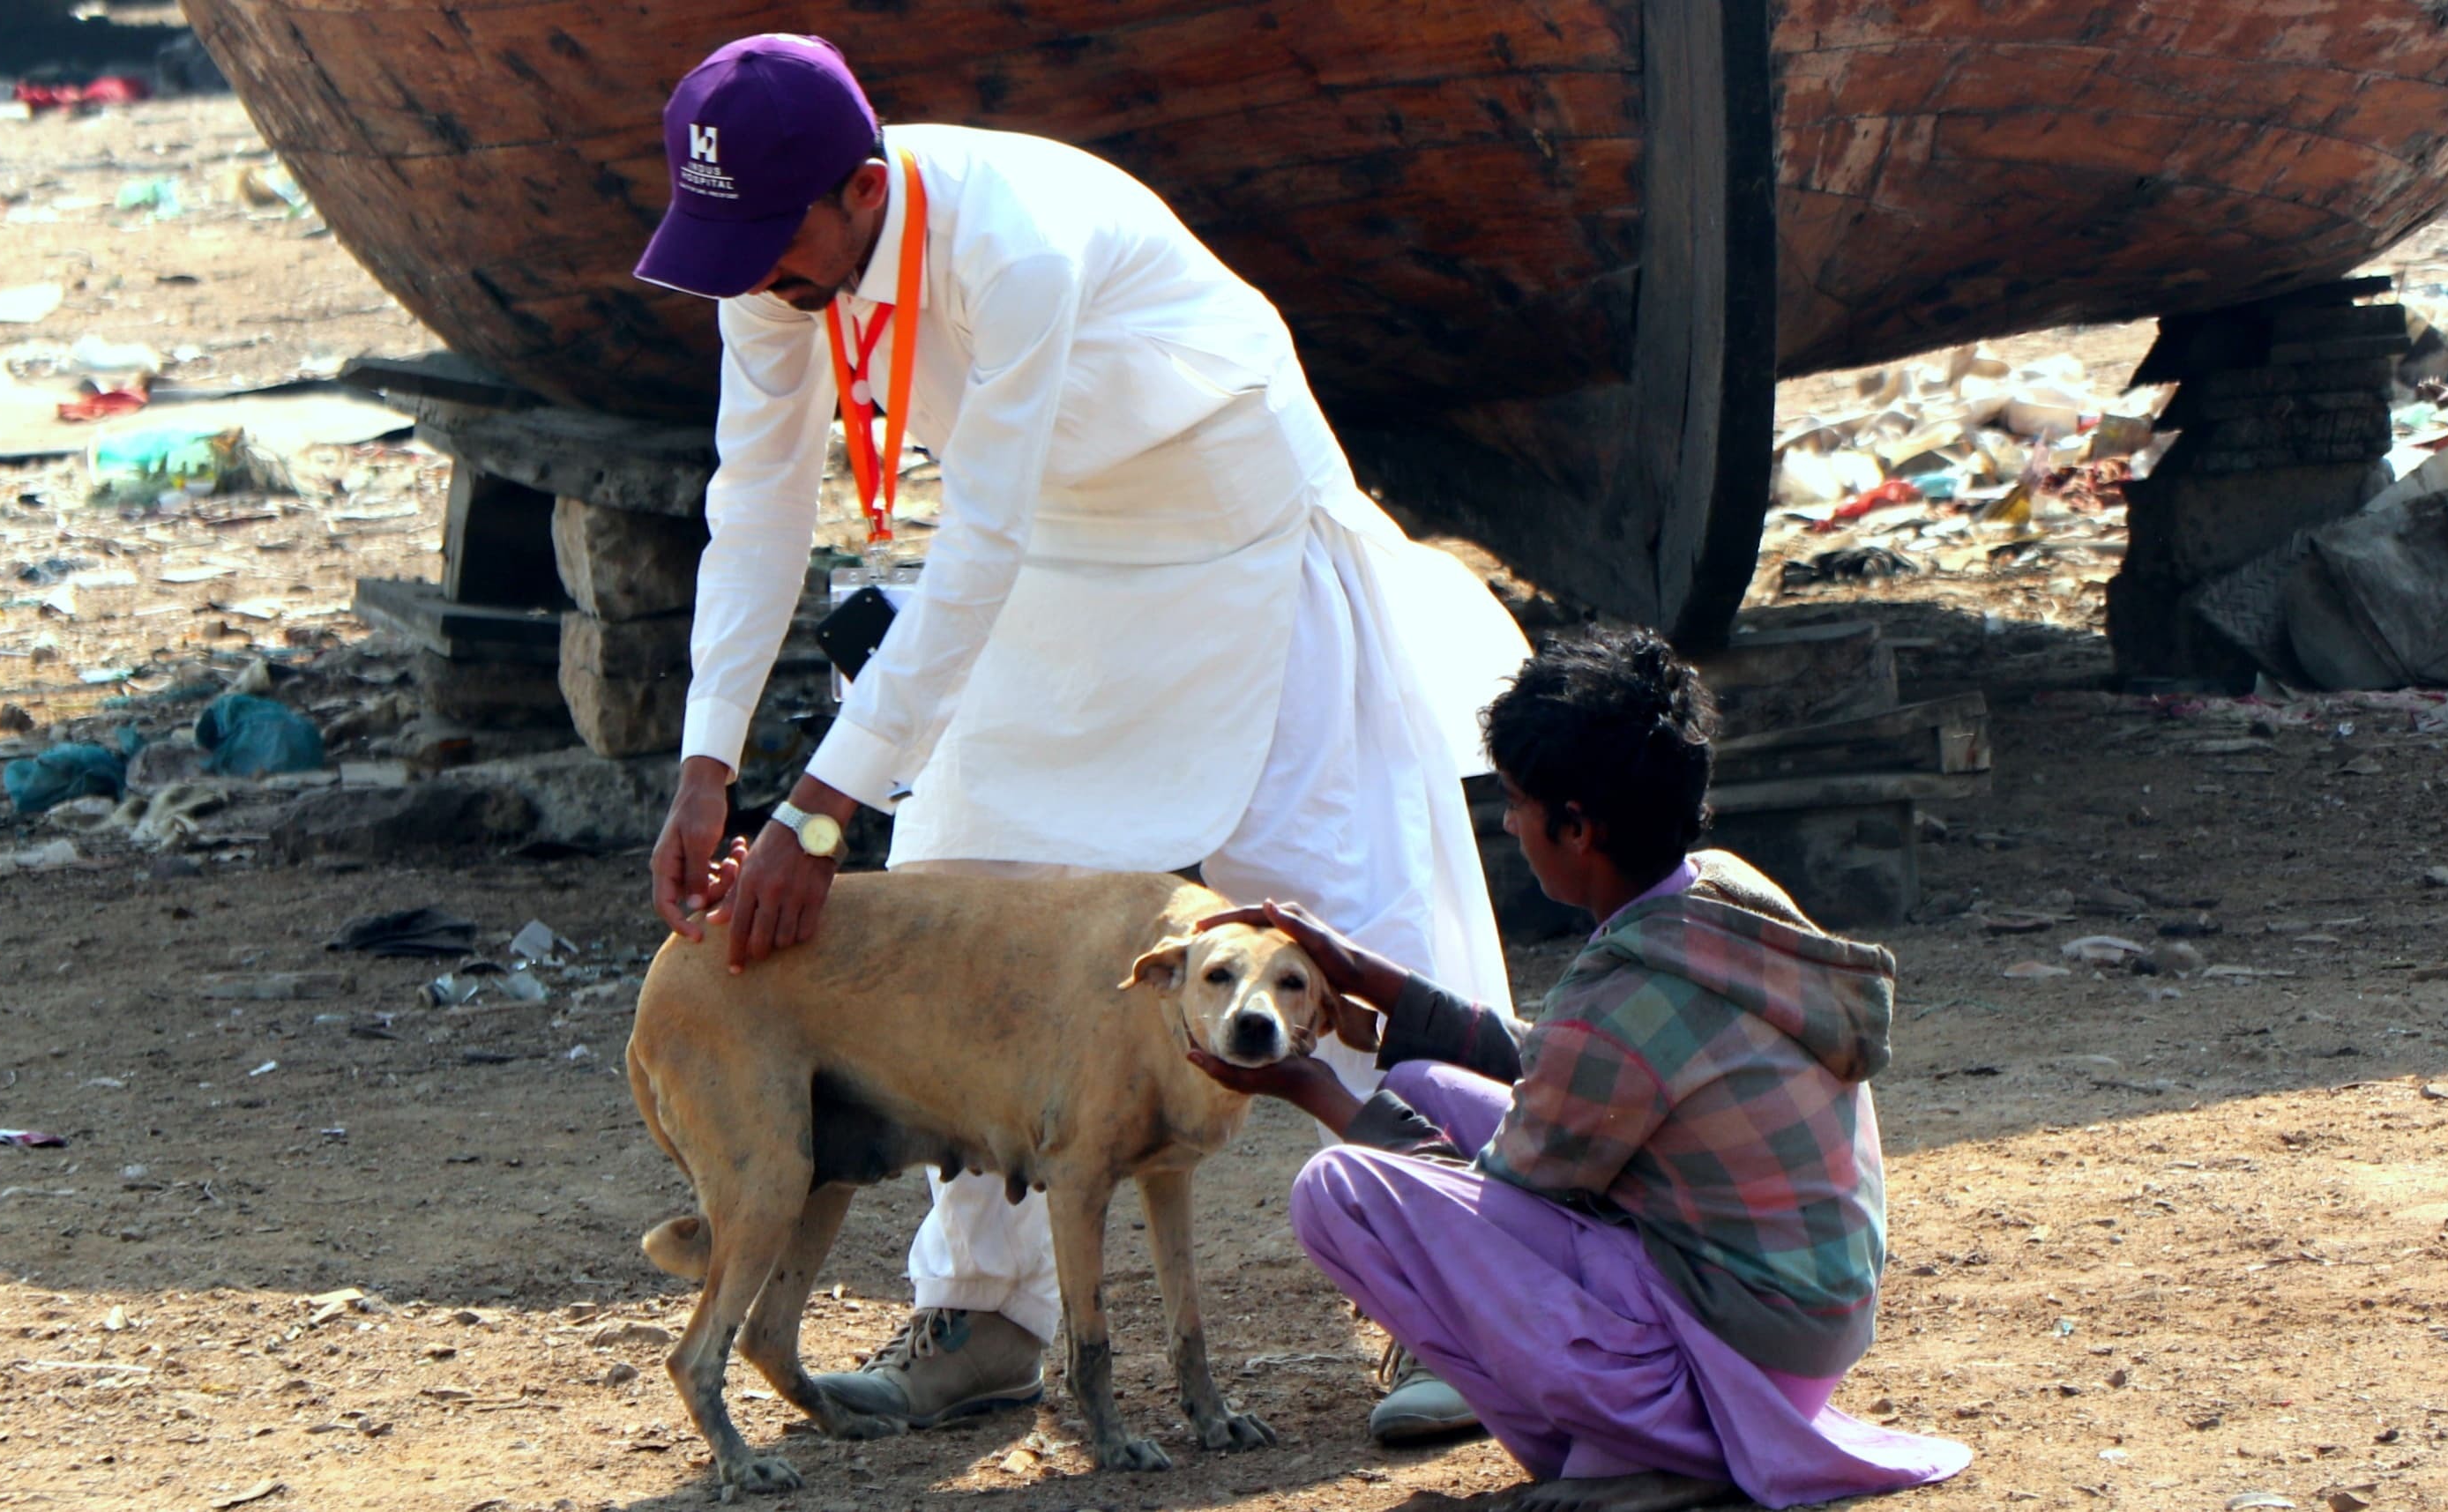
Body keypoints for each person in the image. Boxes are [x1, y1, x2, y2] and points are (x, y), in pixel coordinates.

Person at [631, 34, 1531, 1441]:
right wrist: (706, 767)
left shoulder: (1018, 241)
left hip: (1233, 540)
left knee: (1352, 916)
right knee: (950, 898)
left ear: (863, 191)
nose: (749, 274)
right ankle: (987, 1308)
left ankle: (1458, 1307)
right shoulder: (776, 260)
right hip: (1061, 559)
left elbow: (968, 540)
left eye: (765, 242)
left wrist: (815, 812)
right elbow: (754, 501)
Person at [1189, 629, 1973, 1512]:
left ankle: (1664, 1447)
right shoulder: (1714, 892)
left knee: (1340, 1189)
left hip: (1734, 1359)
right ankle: (1645, 1437)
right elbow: (1577, 1069)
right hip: (1792, 1324)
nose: (1510, 824)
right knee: (1418, 1084)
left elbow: (1518, 1172)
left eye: (1518, 803)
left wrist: (1311, 1087)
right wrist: (1367, 972)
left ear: (1576, 825)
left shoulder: (1625, 989)